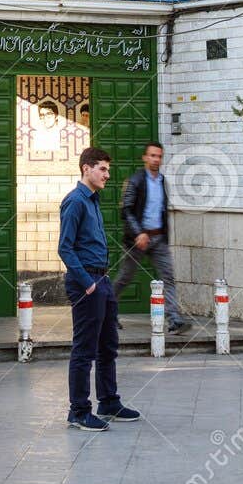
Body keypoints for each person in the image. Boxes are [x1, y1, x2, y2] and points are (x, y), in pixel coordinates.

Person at [58, 147, 140, 432]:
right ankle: (79, 411)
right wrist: (87, 282)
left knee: (107, 346)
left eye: (107, 169)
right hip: (86, 284)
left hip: (101, 280)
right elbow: (65, 248)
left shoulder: (93, 200)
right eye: (103, 169)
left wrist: (100, 282)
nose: (108, 174)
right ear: (86, 169)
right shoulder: (75, 202)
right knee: (84, 349)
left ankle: (108, 402)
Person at [114, 142, 191, 334]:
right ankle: (107, 313)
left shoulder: (162, 181)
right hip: (138, 239)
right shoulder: (136, 180)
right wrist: (138, 232)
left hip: (158, 239)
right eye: (152, 155)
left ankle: (174, 320)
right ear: (145, 158)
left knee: (168, 277)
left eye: (159, 156)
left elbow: (162, 211)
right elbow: (126, 210)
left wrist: (164, 235)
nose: (156, 159)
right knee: (125, 277)